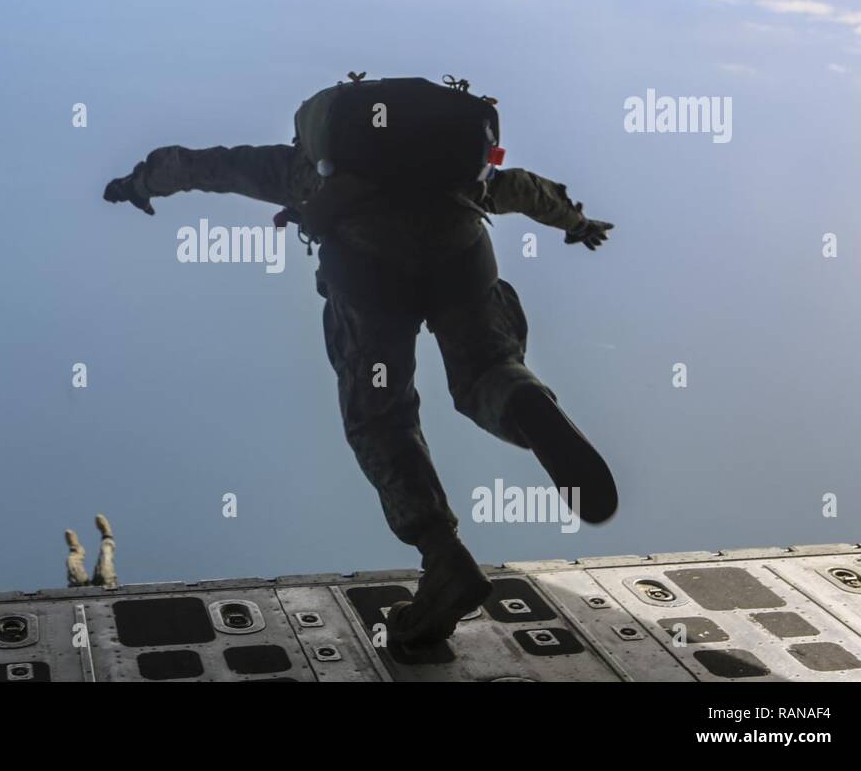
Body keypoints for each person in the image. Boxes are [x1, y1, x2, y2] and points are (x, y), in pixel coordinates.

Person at [103, 94, 616, 648]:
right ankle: (524, 403)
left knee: (381, 418)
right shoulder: (445, 165)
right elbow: (526, 188)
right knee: (488, 370)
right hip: (460, 250)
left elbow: (202, 166)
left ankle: (442, 554)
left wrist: (138, 184)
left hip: (370, 270)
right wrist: (577, 221)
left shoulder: (294, 168)